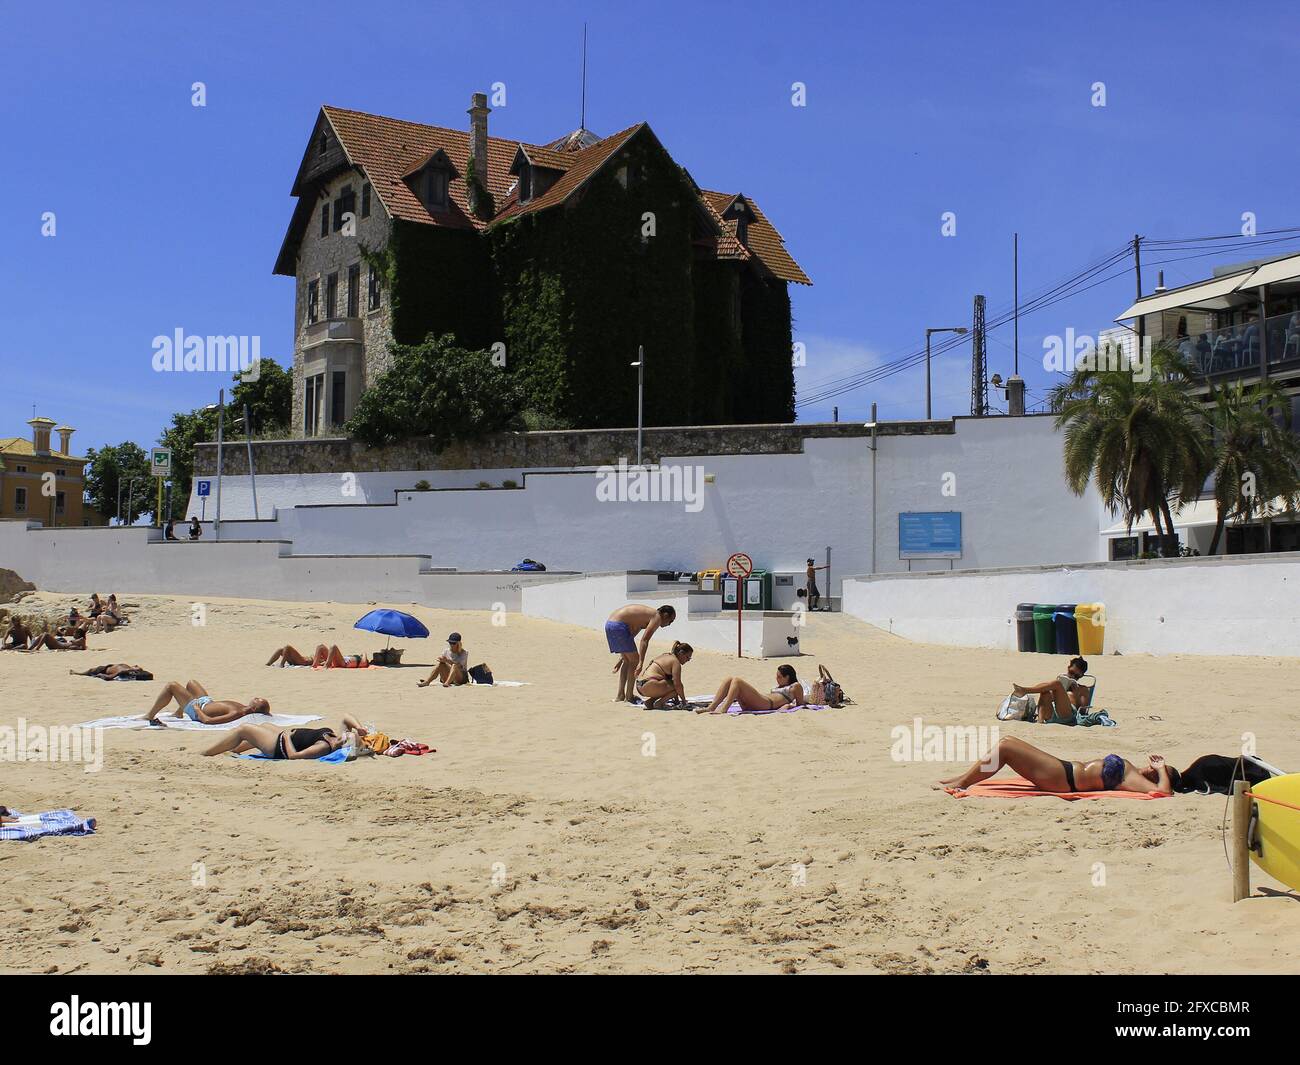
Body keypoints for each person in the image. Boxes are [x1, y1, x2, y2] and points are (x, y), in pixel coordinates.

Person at [937, 736, 1175, 795]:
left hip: (1064, 780)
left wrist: (1162, 769)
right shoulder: (1131, 772)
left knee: (1006, 747)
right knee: (1007, 743)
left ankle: (963, 783)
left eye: (1153, 769)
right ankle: (963, 778)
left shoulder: (1132, 780)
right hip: (1064, 771)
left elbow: (1163, 792)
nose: (1150, 766)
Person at [202, 715, 368, 760]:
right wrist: (359, 727)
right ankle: (233, 750)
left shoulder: (324, 747)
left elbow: (293, 756)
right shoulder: (334, 735)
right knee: (264, 726)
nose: (347, 732)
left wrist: (287, 737)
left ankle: (207, 753)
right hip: (282, 735)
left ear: (346, 742)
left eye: (349, 735)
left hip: (279, 746)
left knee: (243, 729)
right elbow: (347, 717)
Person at [606, 605, 676, 702]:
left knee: (627, 660)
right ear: (665, 615)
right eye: (670, 620)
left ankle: (620, 695)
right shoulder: (657, 617)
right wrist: (641, 662)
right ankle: (629, 696)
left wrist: (621, 658)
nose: (669, 624)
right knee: (634, 661)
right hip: (618, 626)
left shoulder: (645, 617)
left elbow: (630, 637)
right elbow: (644, 640)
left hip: (610, 625)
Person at [142, 680, 270, 725]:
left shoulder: (237, 712)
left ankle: (150, 714)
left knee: (172, 686)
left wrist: (197, 710)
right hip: (206, 702)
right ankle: (178, 713)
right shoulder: (244, 708)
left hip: (198, 710)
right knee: (191, 683)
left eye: (257, 700)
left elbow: (208, 721)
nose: (256, 697)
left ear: (254, 709)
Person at [1011, 656, 1091, 725]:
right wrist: (1053, 692)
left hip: (1068, 715)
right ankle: (1040, 721)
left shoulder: (1083, 689)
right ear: (1068, 668)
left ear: (1081, 676)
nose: (1072, 677)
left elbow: (1083, 712)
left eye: (1076, 676)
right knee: (1046, 691)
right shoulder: (1062, 683)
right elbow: (1049, 698)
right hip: (1052, 712)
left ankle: (1025, 690)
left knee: (1056, 684)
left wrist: (1076, 695)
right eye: (1071, 672)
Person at [696, 664, 804, 715]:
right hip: (759, 702)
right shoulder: (779, 686)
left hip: (766, 704)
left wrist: (789, 706)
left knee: (737, 681)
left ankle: (724, 709)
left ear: (788, 677)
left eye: (779, 677)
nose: (776, 679)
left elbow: (800, 704)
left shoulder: (795, 686)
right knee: (729, 679)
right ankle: (711, 707)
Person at [635, 642, 693, 708]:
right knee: (678, 687)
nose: (688, 660)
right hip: (649, 684)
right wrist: (684, 701)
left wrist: (677, 701)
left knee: (672, 685)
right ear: (681, 653)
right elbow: (677, 684)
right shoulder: (675, 662)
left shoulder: (666, 655)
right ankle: (659, 703)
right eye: (688, 657)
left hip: (639, 686)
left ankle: (650, 702)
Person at [267, 643, 371, 668]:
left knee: (287, 647)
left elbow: (365, 661)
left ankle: (281, 664)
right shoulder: (359, 660)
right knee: (282, 649)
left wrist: (364, 654)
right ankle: (268, 663)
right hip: (338, 661)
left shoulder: (363, 661)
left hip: (304, 661)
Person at [70, 663, 152, 681]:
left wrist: (100, 675)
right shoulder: (132, 670)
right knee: (91, 670)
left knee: (91, 671)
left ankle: (77, 673)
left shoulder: (124, 671)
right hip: (112, 666)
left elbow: (108, 677)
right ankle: (77, 673)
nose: (137, 666)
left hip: (105, 669)